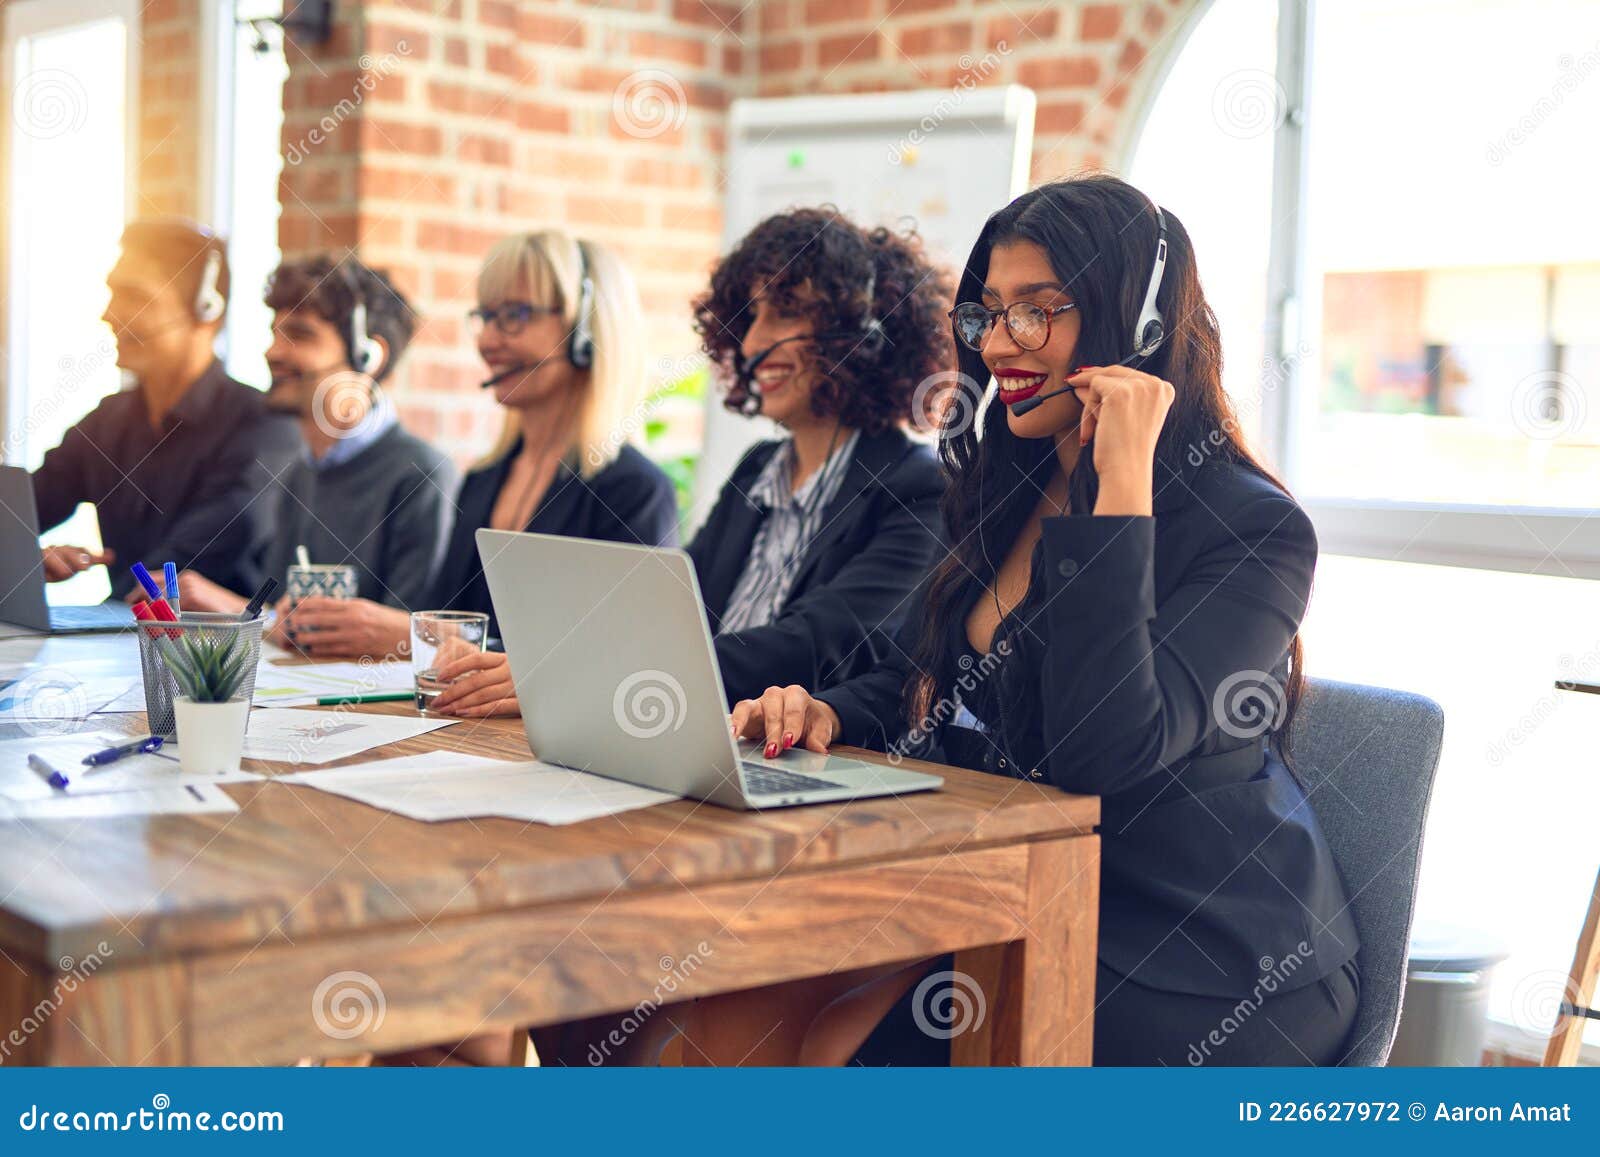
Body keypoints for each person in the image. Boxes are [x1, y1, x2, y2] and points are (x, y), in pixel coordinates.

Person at [720, 176, 1362, 1067]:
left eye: (1038, 312)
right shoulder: (1006, 484)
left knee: (835, 1055)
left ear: (1135, 328)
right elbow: (934, 675)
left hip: (1199, 954)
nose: (1001, 346)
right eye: (989, 315)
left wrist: (1122, 487)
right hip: (1020, 895)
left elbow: (1104, 750)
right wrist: (832, 711)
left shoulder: (1253, 531)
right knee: (736, 1012)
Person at [428, 208, 953, 718]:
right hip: (699, 739)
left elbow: (818, 643)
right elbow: (668, 612)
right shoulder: (759, 469)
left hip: (817, 766)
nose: (753, 342)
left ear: (867, 334)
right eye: (750, 318)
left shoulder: (918, 490)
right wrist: (556, 665)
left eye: (786, 312)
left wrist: (577, 671)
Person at [279, 230, 677, 660]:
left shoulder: (632, 490)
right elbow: (455, 623)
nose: (487, 341)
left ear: (587, 331)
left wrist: (410, 635)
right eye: (486, 316)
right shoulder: (485, 480)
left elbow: (621, 659)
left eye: (515, 315)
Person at [164, 256, 457, 627]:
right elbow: (284, 619)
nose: (273, 352)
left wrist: (235, 609)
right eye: (275, 333)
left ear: (368, 357)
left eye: (299, 335)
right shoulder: (300, 473)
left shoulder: (422, 476)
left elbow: (416, 638)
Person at [31, 220, 299, 599]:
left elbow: (176, 570)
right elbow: (24, 510)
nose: (109, 315)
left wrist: (102, 617)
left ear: (206, 310)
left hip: (218, 654)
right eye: (113, 294)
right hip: (130, 645)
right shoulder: (106, 424)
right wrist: (22, 559)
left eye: (135, 298)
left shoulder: (265, 428)